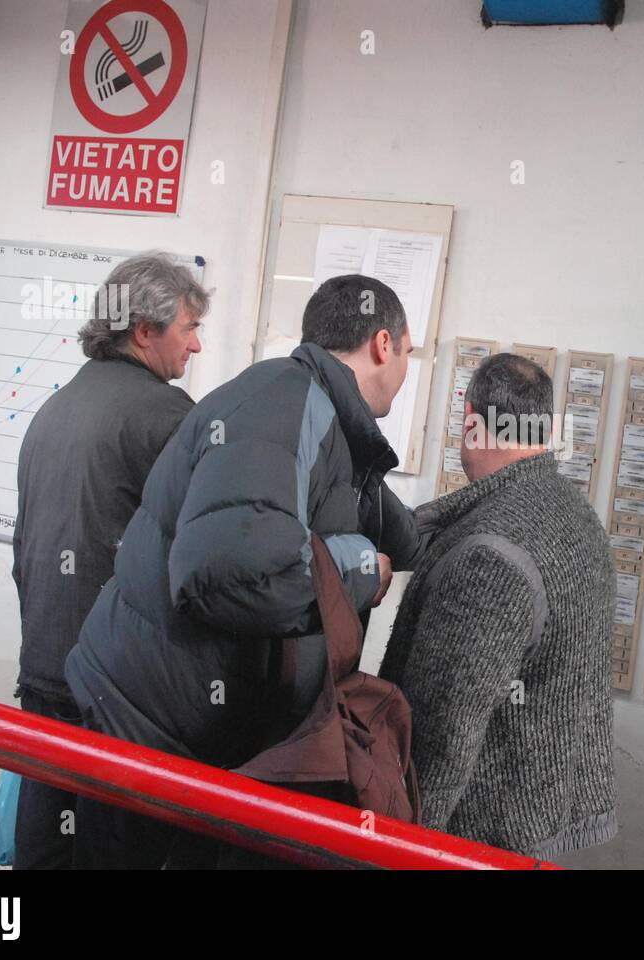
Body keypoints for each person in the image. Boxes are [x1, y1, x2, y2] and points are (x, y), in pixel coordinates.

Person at [64, 273, 425, 868]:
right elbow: (234, 572)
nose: (405, 368)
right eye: (409, 353)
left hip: (196, 741)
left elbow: (402, 534)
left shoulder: (329, 422)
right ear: (384, 345)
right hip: (151, 735)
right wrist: (364, 569)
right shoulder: (284, 401)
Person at [378, 353, 618, 859]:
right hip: (532, 824)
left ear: (470, 422)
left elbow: (444, 735)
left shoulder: (490, 556)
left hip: (472, 838)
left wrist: (404, 847)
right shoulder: (578, 520)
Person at [11, 253, 207, 869]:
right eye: (188, 327)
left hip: (44, 669)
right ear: (144, 331)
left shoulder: (53, 409)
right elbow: (202, 559)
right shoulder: (167, 416)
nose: (197, 345)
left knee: (43, 852)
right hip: (111, 689)